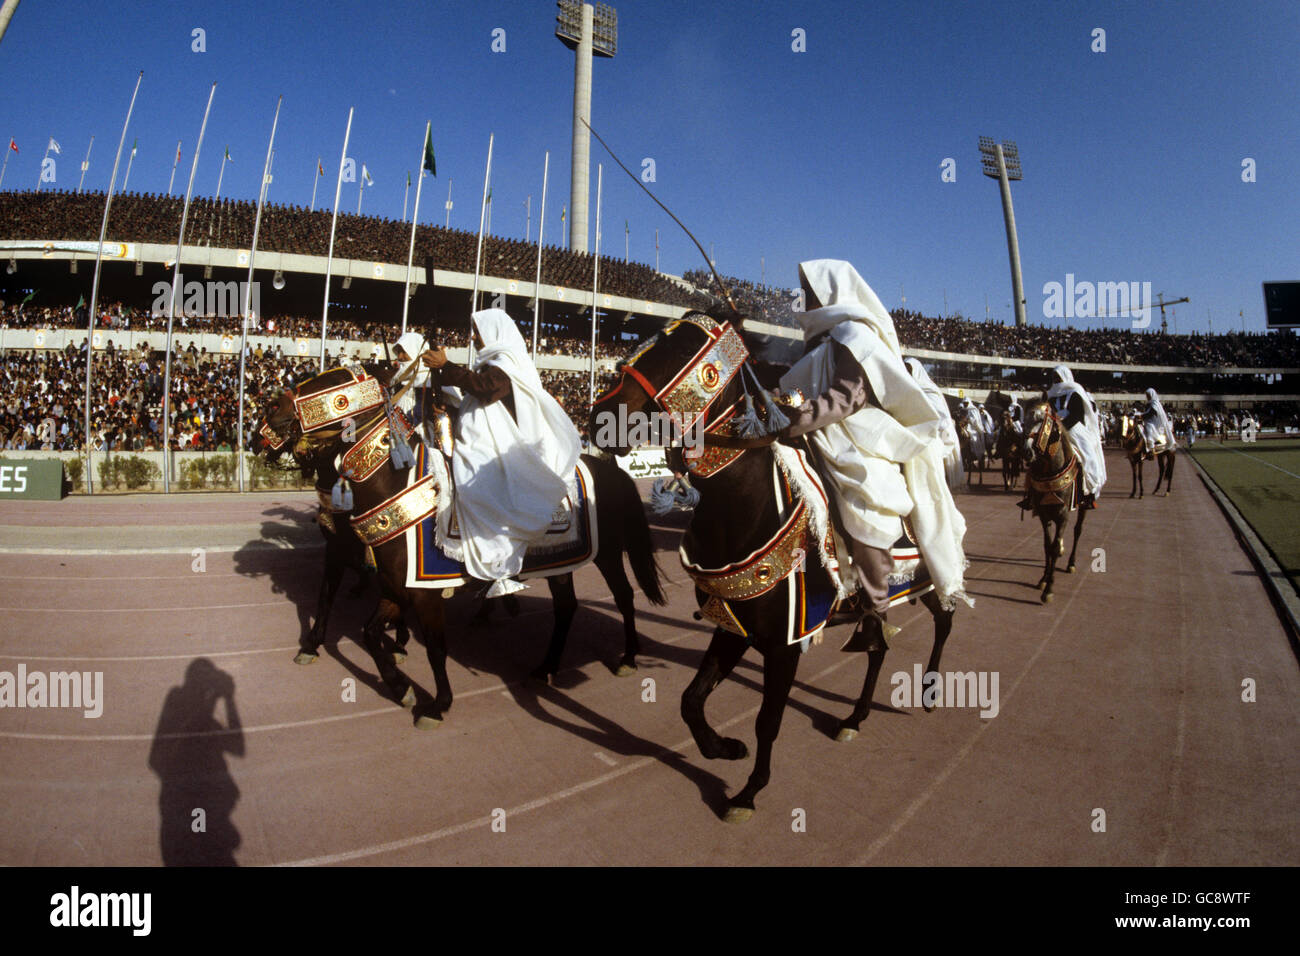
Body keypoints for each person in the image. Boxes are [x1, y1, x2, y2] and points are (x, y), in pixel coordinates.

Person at [776, 260, 970, 653]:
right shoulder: (818, 339)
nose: (805, 298)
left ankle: (873, 607)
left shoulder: (855, 334)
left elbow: (849, 398)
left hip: (859, 435)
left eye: (810, 290)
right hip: (815, 428)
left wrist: (797, 419)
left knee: (864, 506)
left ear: (830, 291)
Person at [420, 309, 582, 597]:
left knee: (478, 492)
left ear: (494, 331)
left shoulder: (509, 362)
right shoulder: (489, 364)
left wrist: (446, 365)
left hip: (506, 451)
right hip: (482, 445)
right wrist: (450, 407)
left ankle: (500, 562)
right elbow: (479, 406)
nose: (472, 338)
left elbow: (486, 389)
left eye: (477, 332)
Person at [1044, 364, 1107, 506]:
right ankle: (1033, 492)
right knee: (1037, 453)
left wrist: (1062, 427)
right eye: (1054, 378)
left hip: (1073, 429)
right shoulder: (1050, 395)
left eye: (1058, 377)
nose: (1056, 380)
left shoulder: (1075, 391)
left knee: (1087, 456)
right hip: (1053, 429)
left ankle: (1089, 491)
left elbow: (1077, 415)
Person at [1139, 387, 1176, 455]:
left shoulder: (1155, 403)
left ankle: (1151, 446)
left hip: (1158, 423)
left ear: (1152, 395)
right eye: (1147, 395)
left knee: (1148, 425)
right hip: (1154, 421)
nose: (1147, 397)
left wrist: (1141, 416)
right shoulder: (1150, 404)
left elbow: (1151, 413)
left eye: (1148, 395)